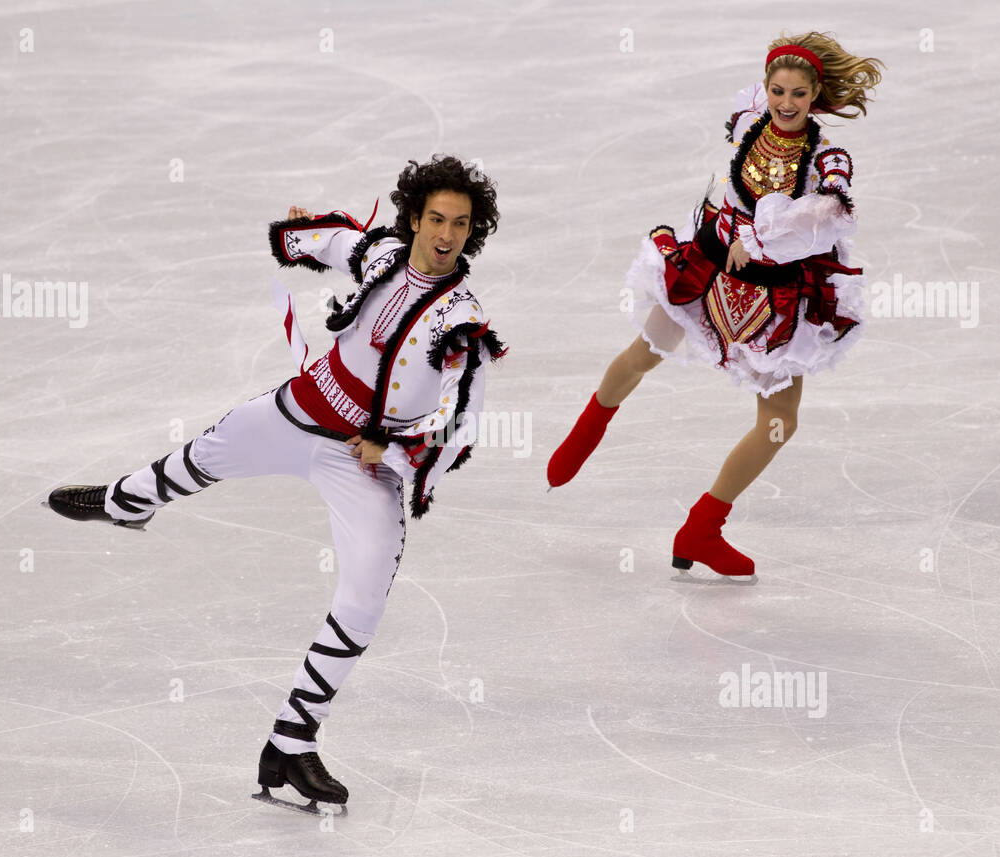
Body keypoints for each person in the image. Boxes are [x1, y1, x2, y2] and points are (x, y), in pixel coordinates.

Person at [45, 155, 504, 813]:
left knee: (365, 595)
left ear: (472, 231)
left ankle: (290, 744)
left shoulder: (463, 322)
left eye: (460, 223)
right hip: (300, 412)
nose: (445, 234)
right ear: (413, 217)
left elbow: (460, 428)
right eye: (436, 218)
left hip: (364, 463)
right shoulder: (382, 256)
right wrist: (300, 236)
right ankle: (123, 504)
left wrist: (394, 447)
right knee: (204, 455)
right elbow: (337, 240)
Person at [547, 32, 883, 583]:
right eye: (778, 89)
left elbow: (828, 218)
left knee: (779, 422)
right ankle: (588, 431)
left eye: (799, 93)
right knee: (645, 350)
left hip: (770, 298)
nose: (785, 102)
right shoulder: (752, 116)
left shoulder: (829, 159)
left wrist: (761, 240)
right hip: (704, 265)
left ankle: (702, 527)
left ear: (816, 94)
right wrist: (736, 234)